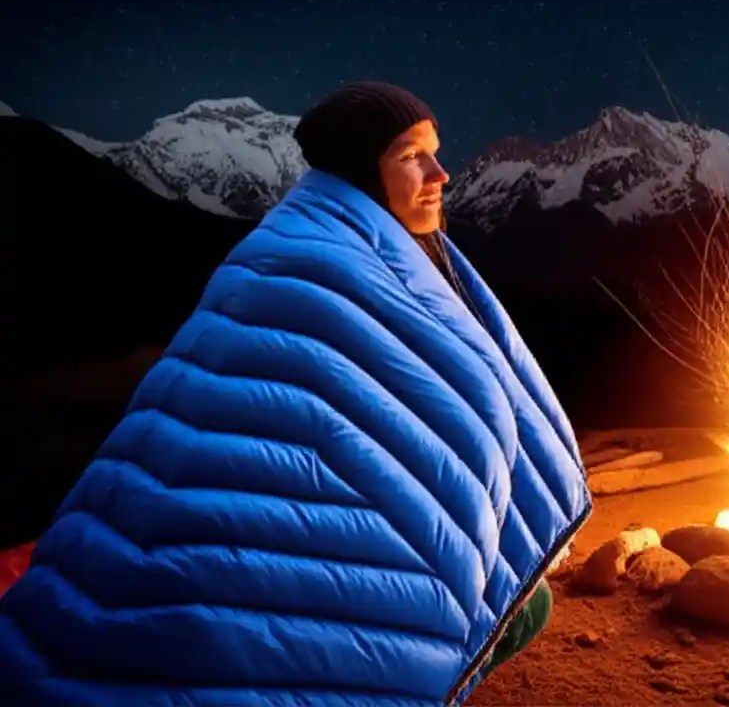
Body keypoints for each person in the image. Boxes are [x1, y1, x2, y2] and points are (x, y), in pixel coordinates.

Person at [0, 80, 592, 707]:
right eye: (410, 155)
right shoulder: (322, 265)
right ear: (361, 170)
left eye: (435, 151)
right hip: (212, 568)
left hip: (183, 545)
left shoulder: (303, 244)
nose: (441, 174)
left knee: (498, 600)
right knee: (503, 608)